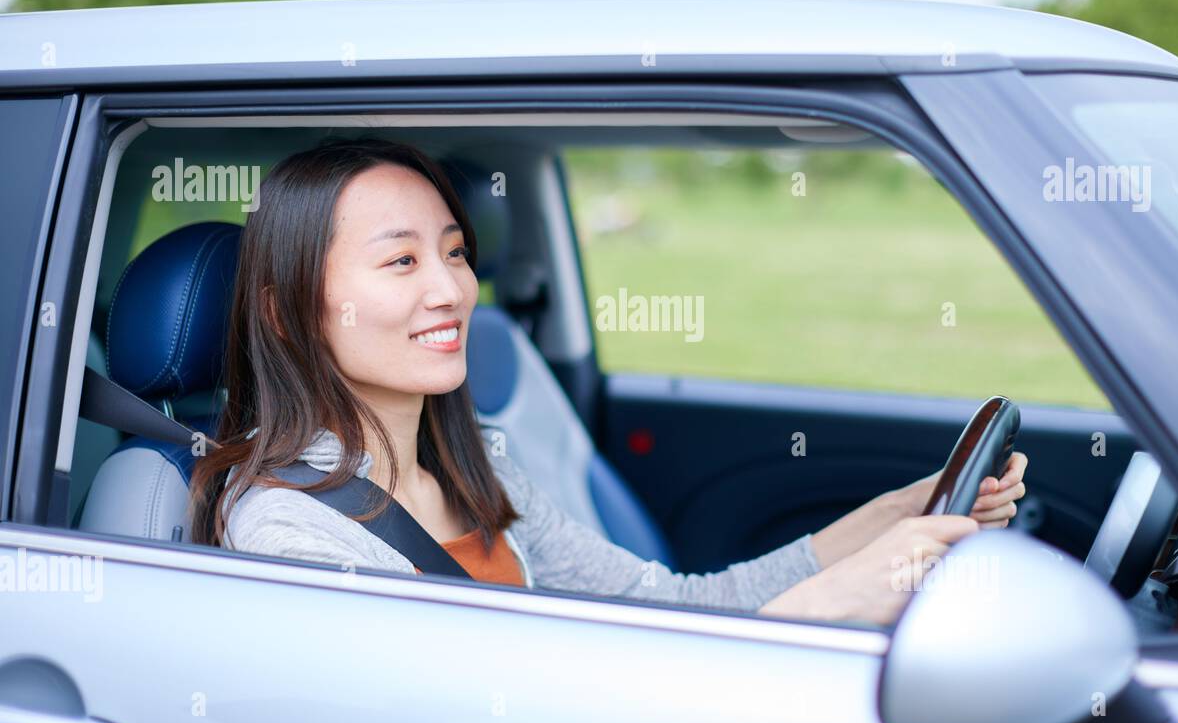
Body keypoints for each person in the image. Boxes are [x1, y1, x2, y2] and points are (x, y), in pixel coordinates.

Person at [189, 138, 1028, 627]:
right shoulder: (287, 532)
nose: (451, 289)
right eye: (402, 260)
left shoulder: (477, 465)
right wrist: (826, 607)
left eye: (453, 251)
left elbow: (675, 606)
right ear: (287, 310)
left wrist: (907, 512)